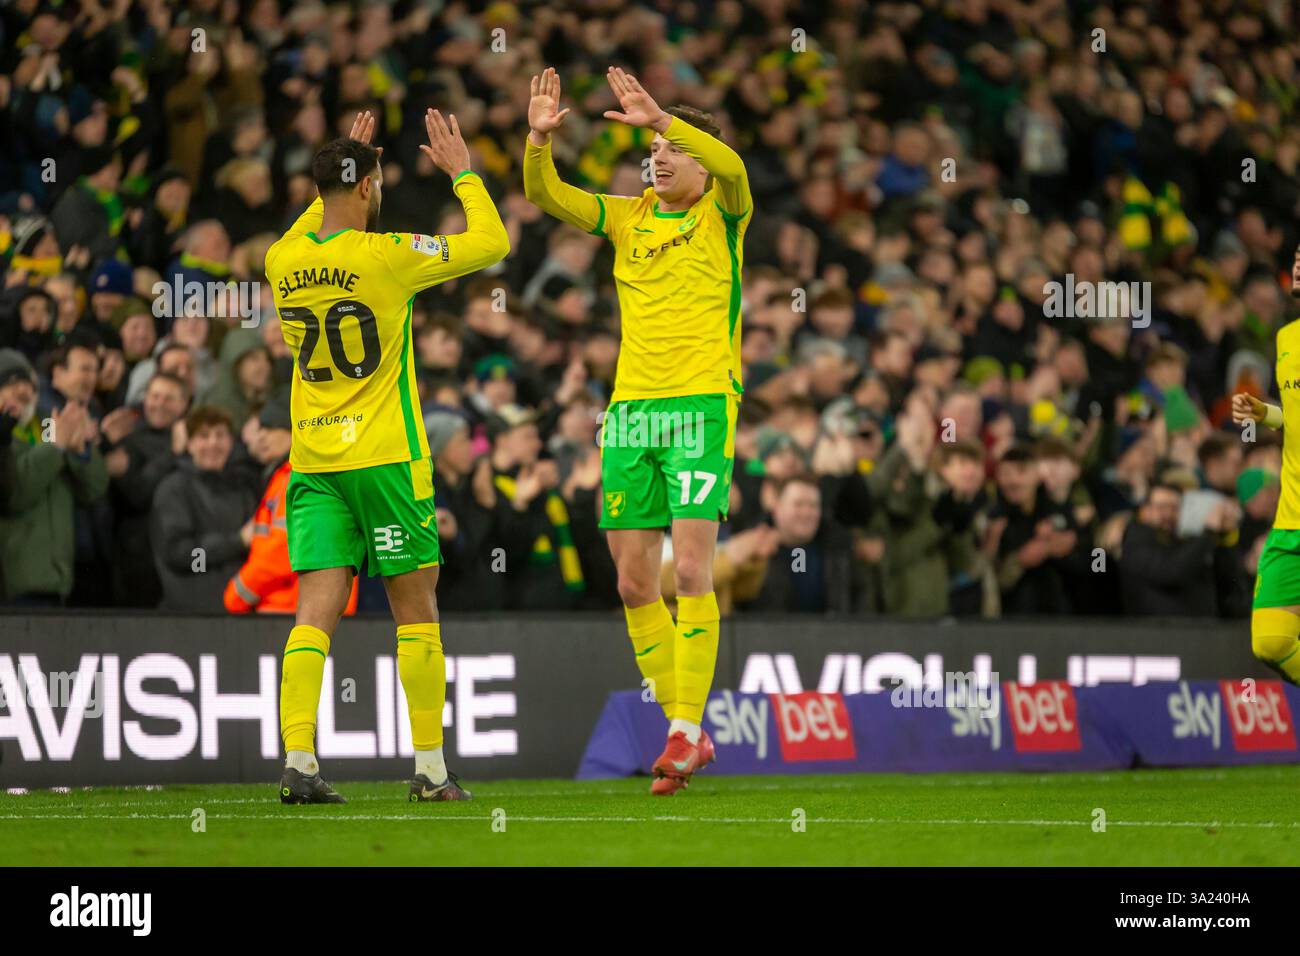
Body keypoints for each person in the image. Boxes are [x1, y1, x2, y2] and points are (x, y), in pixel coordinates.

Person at [265, 110, 508, 804]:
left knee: (315, 610)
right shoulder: (389, 255)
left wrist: (342, 167)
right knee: (416, 610)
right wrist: (462, 170)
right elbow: (492, 240)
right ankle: (430, 771)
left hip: (313, 462)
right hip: (386, 457)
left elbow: (321, 212)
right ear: (372, 186)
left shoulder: (281, 260)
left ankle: (300, 759)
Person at [524, 66, 751, 793]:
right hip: (628, 413)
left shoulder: (725, 210)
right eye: (650, 150)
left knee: (689, 571)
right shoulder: (627, 217)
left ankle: (684, 730)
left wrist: (663, 116)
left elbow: (734, 164)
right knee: (629, 582)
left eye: (668, 150)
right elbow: (544, 195)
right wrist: (537, 141)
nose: (655, 157)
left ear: (696, 159)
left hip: (699, 405)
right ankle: (684, 729)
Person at [224, 397, 358, 616]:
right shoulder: (294, 476)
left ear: (295, 429)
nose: (262, 436)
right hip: (311, 611)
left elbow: (281, 552)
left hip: (293, 612)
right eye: (260, 429)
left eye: (272, 426)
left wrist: (236, 593)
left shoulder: (297, 479)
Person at [1233, 245, 1300, 679]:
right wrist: (1265, 413)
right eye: (1296, 255)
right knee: (1269, 641)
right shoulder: (1286, 338)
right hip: (1291, 518)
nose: (1297, 263)